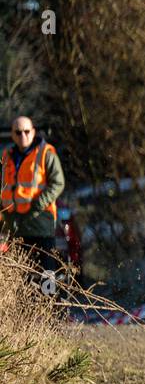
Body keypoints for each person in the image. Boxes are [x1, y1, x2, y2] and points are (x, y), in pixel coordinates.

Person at [0, 116, 65, 281]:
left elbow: (58, 183)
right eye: (18, 132)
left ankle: (47, 307)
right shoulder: (6, 156)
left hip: (41, 226)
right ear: (13, 135)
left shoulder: (45, 153)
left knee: (46, 277)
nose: (23, 136)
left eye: (27, 131)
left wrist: (39, 204)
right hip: (16, 228)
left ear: (33, 132)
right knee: (22, 279)